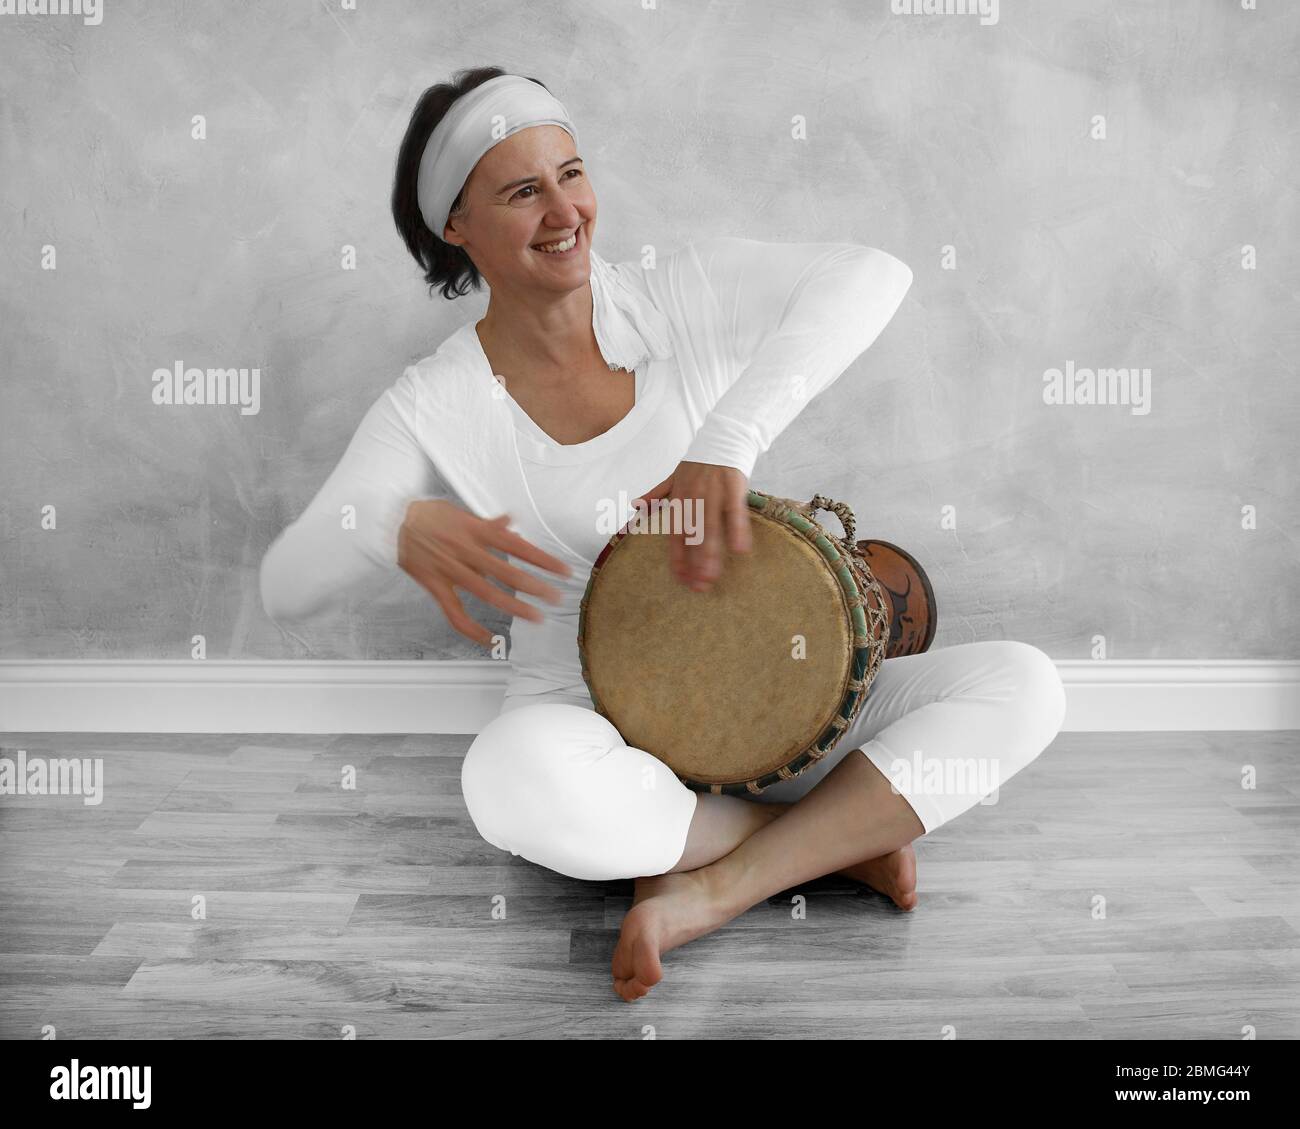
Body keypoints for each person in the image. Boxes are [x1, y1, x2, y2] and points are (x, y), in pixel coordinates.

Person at [259, 66, 1068, 1004]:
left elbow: (872, 274)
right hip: (592, 728)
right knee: (505, 780)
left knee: (1025, 684)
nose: (566, 211)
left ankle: (718, 883)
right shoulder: (432, 402)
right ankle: (829, 845)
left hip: (771, 703)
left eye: (572, 173)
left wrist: (728, 442)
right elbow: (288, 581)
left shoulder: (676, 294)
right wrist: (392, 523)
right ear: (457, 226)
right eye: (523, 190)